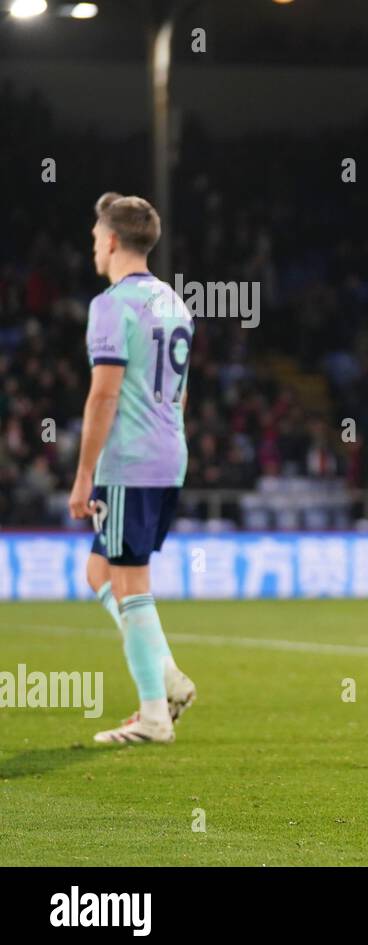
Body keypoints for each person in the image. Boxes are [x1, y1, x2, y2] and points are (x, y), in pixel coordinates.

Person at [70, 192, 197, 745]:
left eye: (98, 236)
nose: (94, 245)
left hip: (130, 460)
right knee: (100, 575)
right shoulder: (175, 303)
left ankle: (153, 717)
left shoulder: (111, 304)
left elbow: (103, 396)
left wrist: (82, 477)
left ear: (114, 240)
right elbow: (182, 395)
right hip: (169, 454)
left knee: (130, 583)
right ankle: (166, 677)